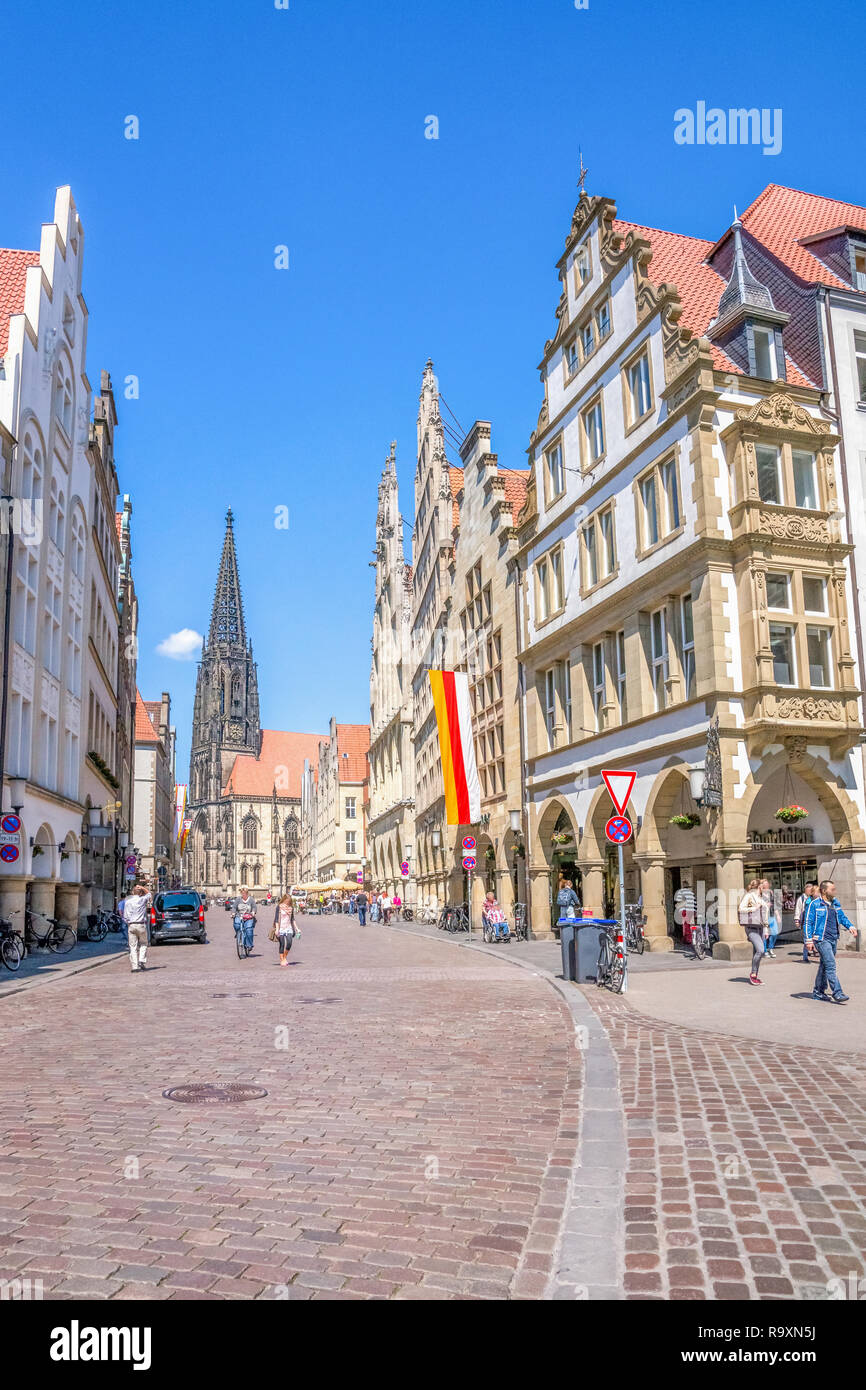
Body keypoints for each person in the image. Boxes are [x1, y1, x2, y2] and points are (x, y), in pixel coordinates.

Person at [805, 879, 857, 1004]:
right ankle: (837, 992)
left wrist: (850, 926)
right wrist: (808, 940)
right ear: (824, 891)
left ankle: (818, 992)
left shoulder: (835, 903)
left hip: (833, 938)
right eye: (832, 889)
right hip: (821, 939)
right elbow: (808, 922)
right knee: (831, 965)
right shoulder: (815, 904)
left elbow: (842, 917)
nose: (835, 891)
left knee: (824, 965)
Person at [738, 878, 768, 985]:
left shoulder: (761, 897)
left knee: (757, 952)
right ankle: (753, 974)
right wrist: (754, 908)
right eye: (764, 885)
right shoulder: (749, 896)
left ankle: (755, 975)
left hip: (761, 928)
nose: (765, 887)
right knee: (761, 950)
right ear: (759, 886)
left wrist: (766, 929)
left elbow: (765, 915)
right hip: (751, 928)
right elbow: (741, 909)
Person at [122, 885, 151, 974]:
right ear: (141, 893)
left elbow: (125, 916)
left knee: (133, 946)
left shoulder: (128, 902)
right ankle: (141, 960)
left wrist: (129, 923)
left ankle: (135, 967)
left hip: (131, 925)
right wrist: (142, 887)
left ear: (132, 893)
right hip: (141, 925)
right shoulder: (142, 900)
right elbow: (149, 894)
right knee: (144, 943)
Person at [795, 881, 818, 963]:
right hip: (806, 921)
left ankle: (815, 950)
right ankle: (805, 957)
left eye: (811, 890)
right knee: (807, 939)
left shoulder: (815, 899)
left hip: (814, 922)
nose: (810, 892)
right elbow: (798, 909)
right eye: (809, 890)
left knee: (814, 938)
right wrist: (797, 920)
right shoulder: (803, 899)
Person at [233, 886, 257, 954]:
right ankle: (238, 933)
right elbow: (234, 907)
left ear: (247, 893)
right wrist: (233, 913)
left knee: (249, 930)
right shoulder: (238, 899)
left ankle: (249, 945)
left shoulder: (251, 899)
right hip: (239, 916)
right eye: (242, 893)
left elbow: (254, 907)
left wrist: (253, 912)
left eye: (245, 893)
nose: (243, 894)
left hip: (249, 916)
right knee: (236, 924)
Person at [276, 894, 296, 967]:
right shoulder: (279, 907)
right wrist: (277, 929)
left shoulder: (291, 908)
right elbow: (276, 918)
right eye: (286, 901)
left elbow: (292, 919)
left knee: (289, 942)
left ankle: (284, 957)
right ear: (284, 900)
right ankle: (282, 959)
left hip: (288, 927)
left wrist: (297, 928)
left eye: (289, 901)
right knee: (282, 944)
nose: (287, 903)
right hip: (281, 927)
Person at [761, 879, 780, 957]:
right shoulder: (759, 894)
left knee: (774, 933)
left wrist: (778, 915)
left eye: (767, 883)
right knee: (765, 934)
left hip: (771, 915)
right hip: (764, 916)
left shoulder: (771, 893)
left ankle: (770, 948)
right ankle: (765, 950)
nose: (767, 885)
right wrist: (765, 904)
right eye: (765, 884)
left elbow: (774, 905)